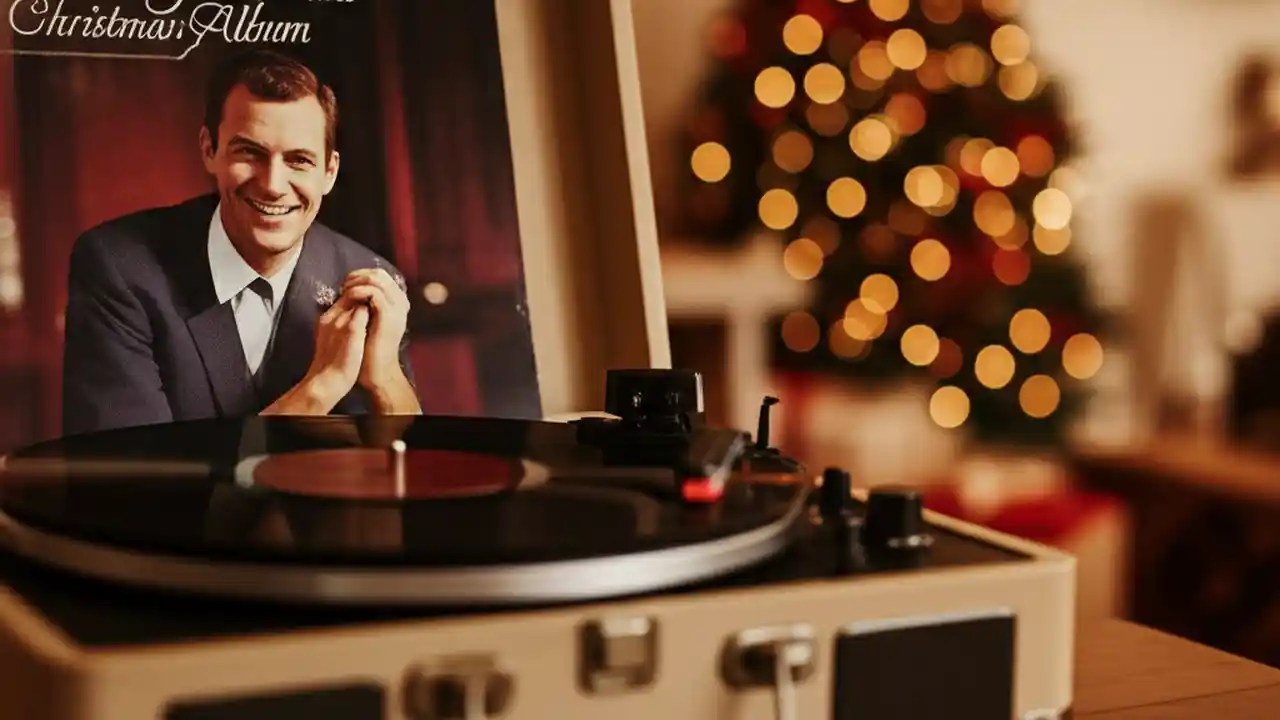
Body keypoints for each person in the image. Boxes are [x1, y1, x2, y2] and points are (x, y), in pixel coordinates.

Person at [61, 49, 421, 436]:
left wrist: (385, 380)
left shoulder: (375, 280)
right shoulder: (119, 268)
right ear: (208, 150)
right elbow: (132, 476)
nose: (272, 184)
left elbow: (413, 473)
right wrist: (321, 387)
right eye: (250, 152)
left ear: (329, 172)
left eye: (299, 160)